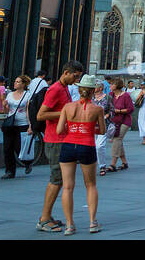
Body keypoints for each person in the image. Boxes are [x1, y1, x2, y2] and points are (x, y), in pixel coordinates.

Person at [34, 61, 84, 233]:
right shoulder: (55, 89)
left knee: (59, 180)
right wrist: (66, 113)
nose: (77, 80)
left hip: (62, 138)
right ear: (66, 72)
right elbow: (41, 115)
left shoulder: (64, 89)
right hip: (55, 140)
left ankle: (47, 216)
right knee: (56, 179)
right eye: (75, 76)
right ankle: (44, 218)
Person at [56, 74, 105, 234]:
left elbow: (59, 130)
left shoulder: (68, 107)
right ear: (92, 91)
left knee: (67, 187)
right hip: (87, 145)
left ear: (79, 89)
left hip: (69, 145)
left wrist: (73, 128)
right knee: (90, 185)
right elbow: (102, 130)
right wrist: (89, 128)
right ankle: (92, 222)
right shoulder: (97, 109)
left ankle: (70, 225)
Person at [0, 75, 32, 178]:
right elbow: (6, 111)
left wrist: (30, 125)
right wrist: (5, 106)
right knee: (7, 147)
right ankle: (9, 171)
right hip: (10, 124)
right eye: (15, 81)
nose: (15, 83)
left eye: (18, 82)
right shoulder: (9, 95)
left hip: (22, 123)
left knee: (19, 147)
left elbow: (28, 111)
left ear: (23, 84)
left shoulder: (27, 95)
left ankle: (27, 163)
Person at [92, 80, 112, 175]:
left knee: (100, 146)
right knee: (92, 146)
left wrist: (107, 115)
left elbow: (112, 110)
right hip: (91, 124)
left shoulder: (107, 97)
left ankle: (102, 166)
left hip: (103, 124)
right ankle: (92, 164)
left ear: (100, 88)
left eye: (95, 86)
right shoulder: (90, 97)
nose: (93, 88)